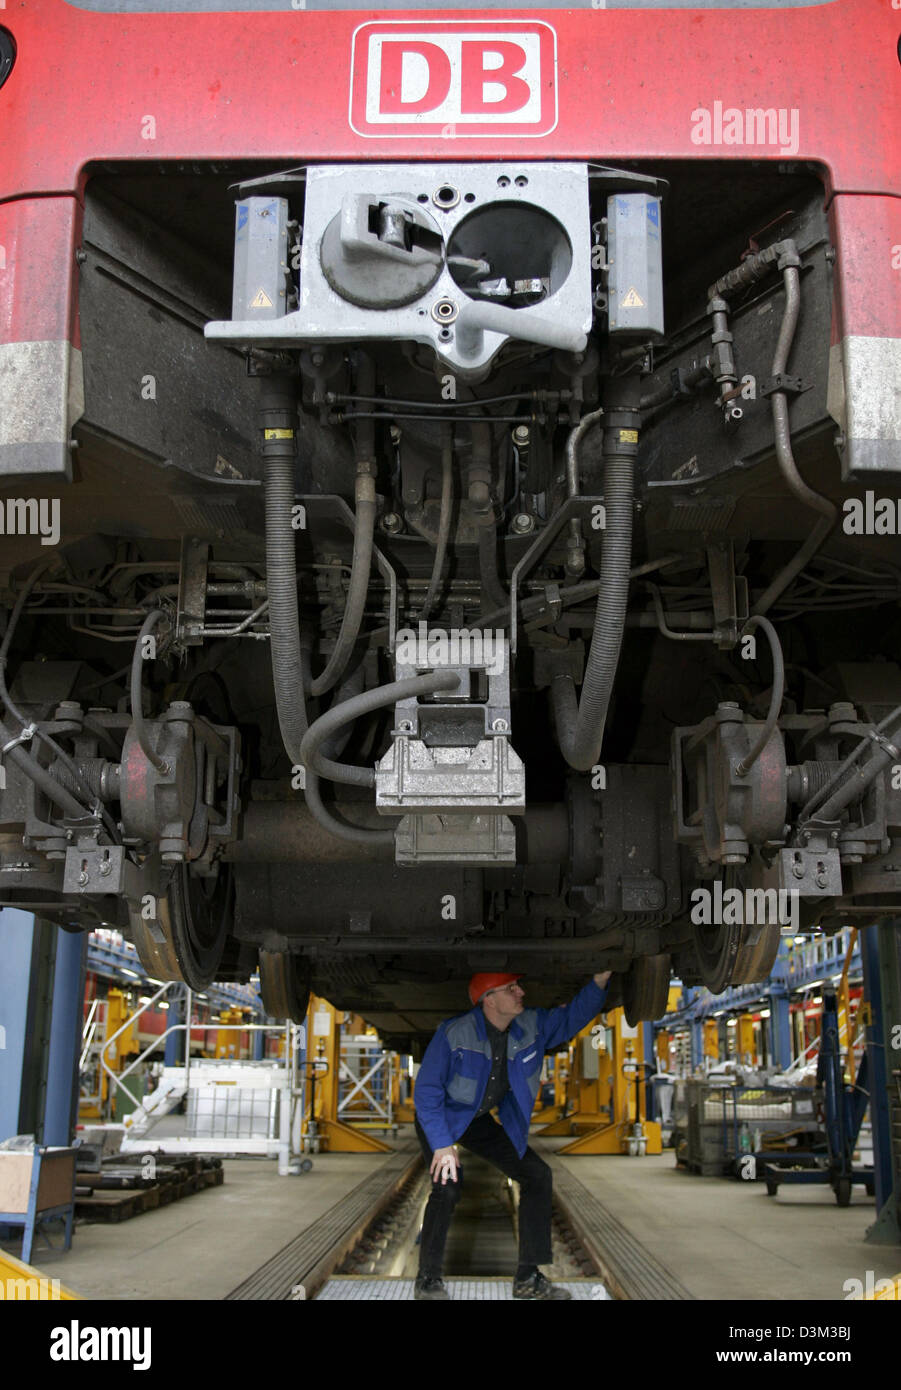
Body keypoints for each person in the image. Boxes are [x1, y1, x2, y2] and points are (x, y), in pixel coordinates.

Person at [413, 969, 611, 1300]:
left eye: (517, 986)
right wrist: (442, 1146)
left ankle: (528, 1277)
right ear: (488, 999)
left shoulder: (531, 1025)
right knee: (446, 1187)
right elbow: (427, 1092)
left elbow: (571, 1019)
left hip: (476, 1120)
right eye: (511, 988)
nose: (521, 992)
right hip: (442, 1120)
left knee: (536, 1175)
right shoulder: (454, 1033)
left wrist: (599, 982)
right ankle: (428, 1279)